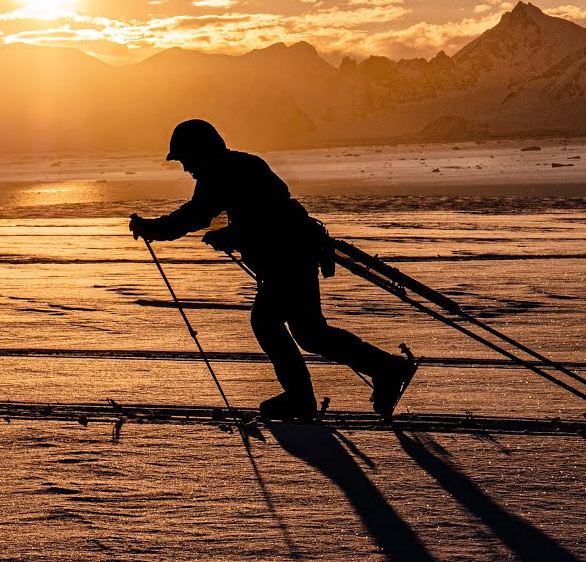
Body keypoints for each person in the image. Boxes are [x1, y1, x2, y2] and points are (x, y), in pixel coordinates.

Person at [129, 119, 417, 422]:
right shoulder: (238, 166)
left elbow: (219, 218)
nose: (186, 167)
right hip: (294, 254)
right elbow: (252, 213)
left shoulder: (224, 173)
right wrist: (231, 234)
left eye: (186, 158)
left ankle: (303, 398)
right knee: (310, 333)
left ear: (202, 151)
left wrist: (156, 228)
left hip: (288, 258)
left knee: (268, 323)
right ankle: (385, 370)